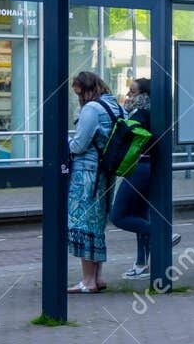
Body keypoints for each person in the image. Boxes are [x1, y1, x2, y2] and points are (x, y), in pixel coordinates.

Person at [109, 78, 180, 278]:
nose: (129, 95)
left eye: (133, 92)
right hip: (151, 168)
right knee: (139, 215)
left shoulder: (139, 114)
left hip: (139, 168)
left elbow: (127, 137)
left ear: (144, 95)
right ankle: (141, 264)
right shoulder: (156, 114)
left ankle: (163, 233)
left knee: (118, 216)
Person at [67, 71, 122, 293]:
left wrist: (65, 143)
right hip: (107, 173)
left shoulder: (91, 109)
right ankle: (98, 278)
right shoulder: (115, 107)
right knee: (97, 226)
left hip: (87, 174)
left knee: (83, 224)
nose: (77, 97)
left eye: (78, 92)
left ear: (85, 89)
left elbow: (79, 145)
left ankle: (88, 281)